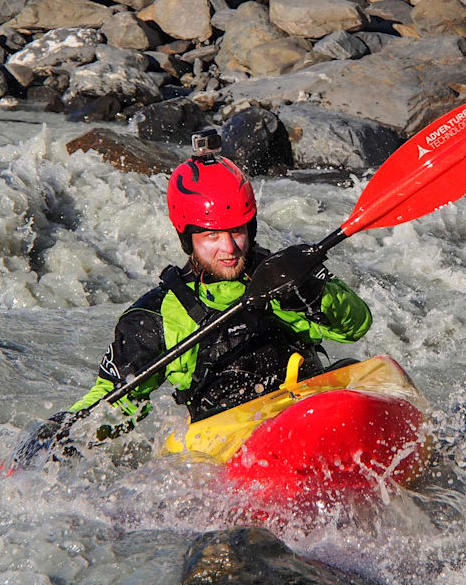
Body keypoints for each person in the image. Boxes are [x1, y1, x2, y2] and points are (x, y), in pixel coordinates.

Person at [65, 131, 373, 429]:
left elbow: (357, 326)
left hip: (309, 411)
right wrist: (70, 427)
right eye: (212, 235)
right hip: (231, 441)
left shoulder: (283, 273)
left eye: (236, 231)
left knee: (348, 368)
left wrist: (309, 289)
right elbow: (112, 402)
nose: (229, 248)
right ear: (187, 238)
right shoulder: (155, 315)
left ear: (250, 228)